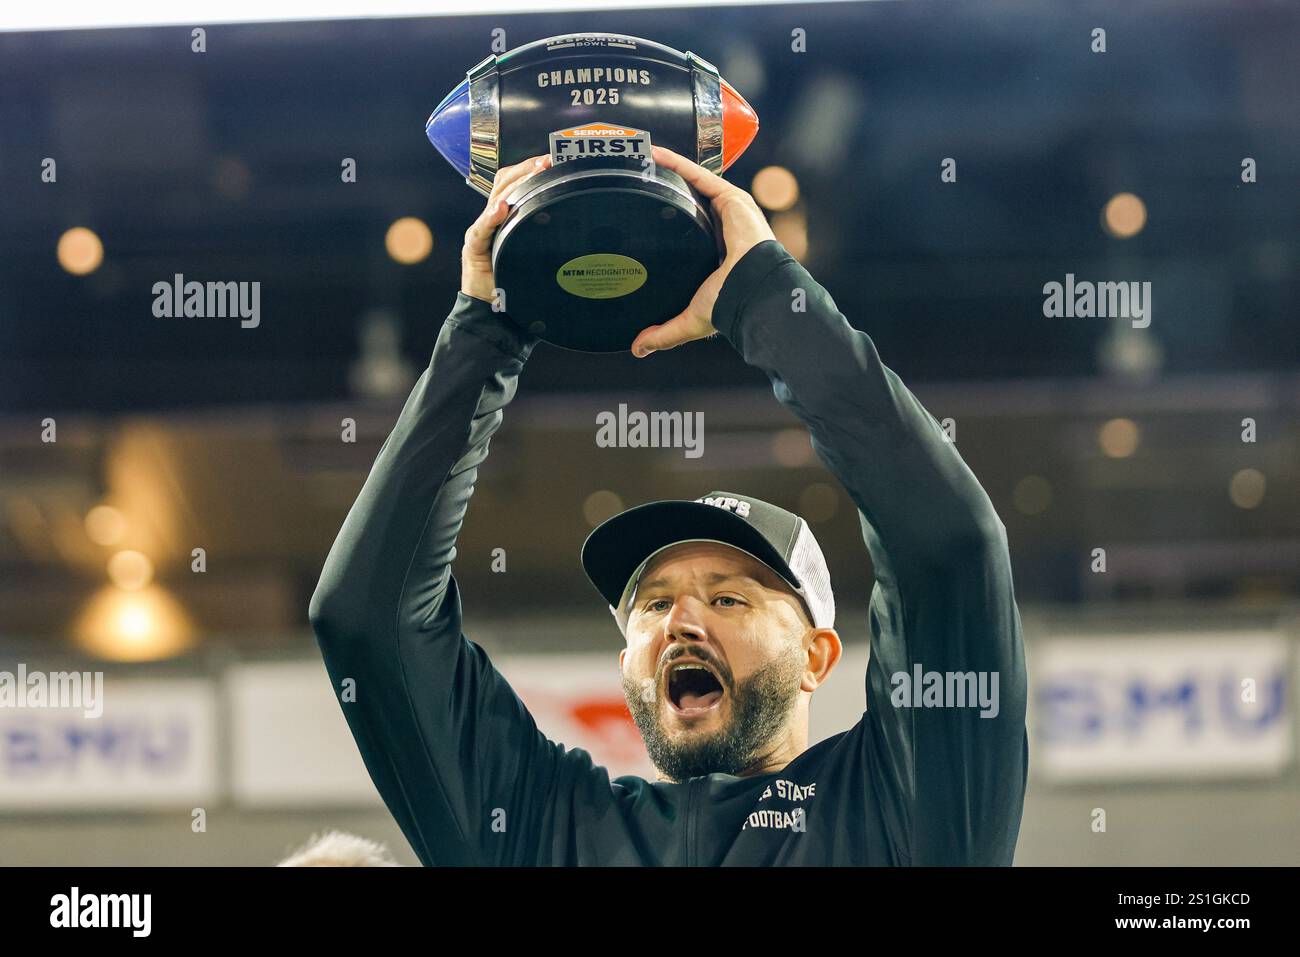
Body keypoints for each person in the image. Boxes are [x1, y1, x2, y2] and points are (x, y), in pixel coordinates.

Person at [309, 146, 1028, 865]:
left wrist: (765, 297)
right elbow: (368, 616)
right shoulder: (540, 827)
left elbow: (947, 545)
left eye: (729, 599)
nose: (681, 621)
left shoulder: (899, 809)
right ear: (627, 661)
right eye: (651, 605)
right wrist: (486, 330)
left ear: (816, 656)